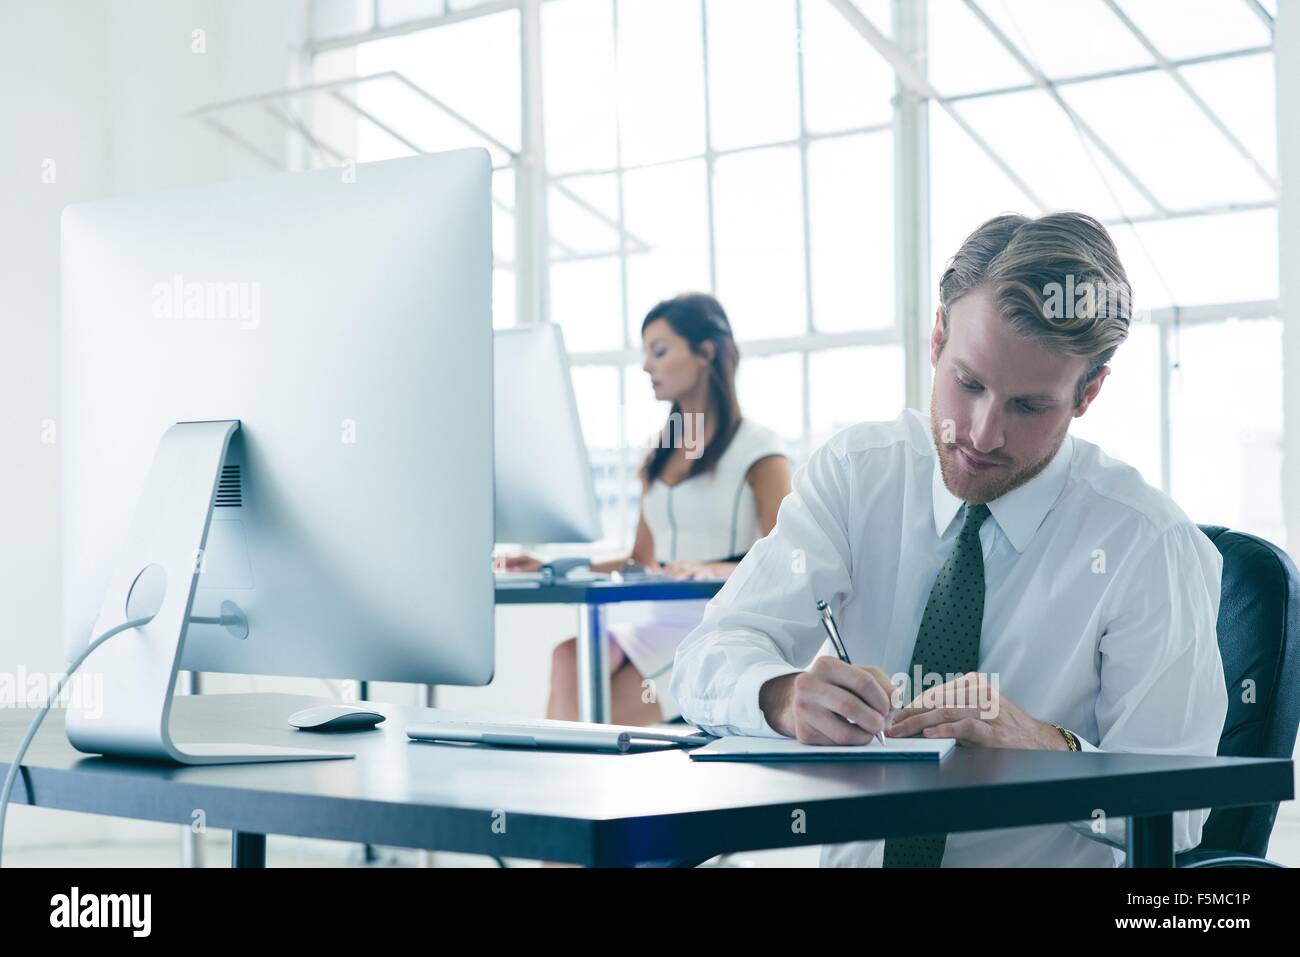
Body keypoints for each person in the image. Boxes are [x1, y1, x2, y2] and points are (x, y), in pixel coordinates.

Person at [672, 212, 1228, 867]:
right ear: (937, 338)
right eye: (968, 383)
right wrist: (782, 695)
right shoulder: (859, 475)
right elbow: (707, 656)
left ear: (1088, 393)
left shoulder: (1148, 544)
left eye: (1029, 405)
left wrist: (1049, 752)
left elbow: (1180, 811)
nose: (983, 433)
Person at [502, 293, 793, 725]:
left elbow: (784, 560)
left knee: (598, 714)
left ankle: (552, 783)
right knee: (568, 656)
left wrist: (712, 568)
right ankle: (557, 781)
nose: (645, 366)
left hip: (713, 627)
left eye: (659, 351)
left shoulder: (758, 450)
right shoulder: (661, 452)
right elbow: (640, 559)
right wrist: (550, 564)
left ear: (705, 353)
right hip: (653, 623)